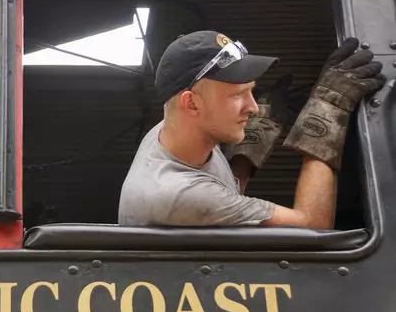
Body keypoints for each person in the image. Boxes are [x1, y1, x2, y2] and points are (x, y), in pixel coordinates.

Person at [117, 30, 386, 229]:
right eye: (237, 95)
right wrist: (327, 110)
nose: (254, 108)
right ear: (192, 103)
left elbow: (224, 190)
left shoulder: (174, 131)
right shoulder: (177, 194)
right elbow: (312, 227)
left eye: (251, 92)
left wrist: (261, 131)